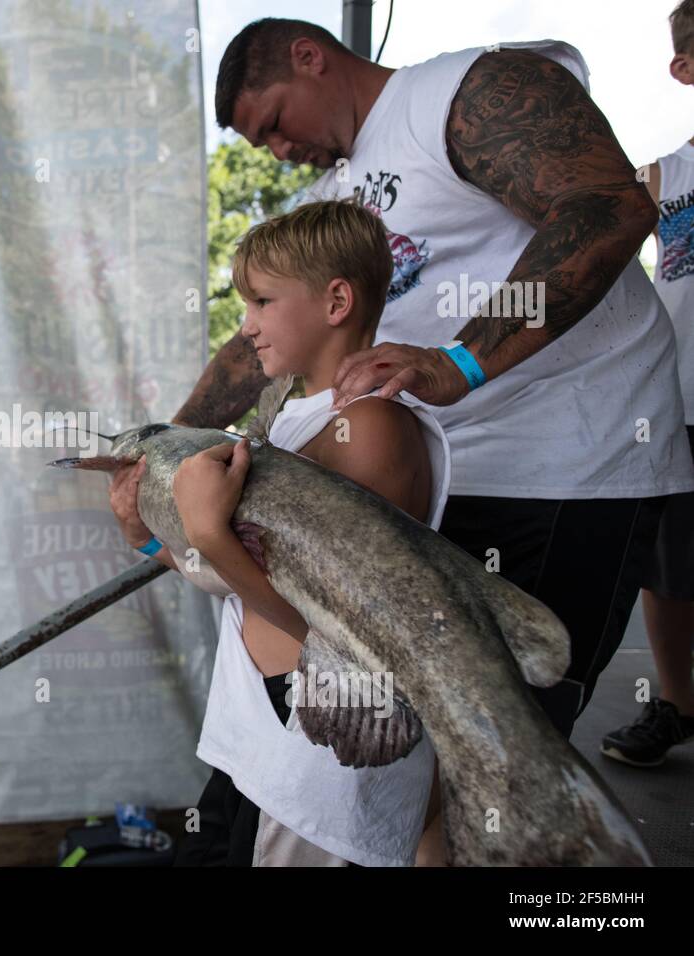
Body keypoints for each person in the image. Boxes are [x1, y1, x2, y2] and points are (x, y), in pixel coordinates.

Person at [193, 18, 693, 739]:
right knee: (419, 748)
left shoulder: (462, 91)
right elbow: (255, 347)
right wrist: (167, 445)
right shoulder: (325, 199)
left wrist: (461, 359)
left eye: (273, 123)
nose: (279, 151)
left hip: (566, 472)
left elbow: (609, 207)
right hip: (438, 485)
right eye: (263, 145)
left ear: (310, 59)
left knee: (513, 742)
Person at [114, 201, 451, 866]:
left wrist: (210, 534)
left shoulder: (372, 427)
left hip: (315, 759)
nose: (247, 328)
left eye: (263, 302)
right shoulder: (291, 419)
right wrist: (149, 540)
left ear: (336, 302)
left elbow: (348, 633)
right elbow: (247, 588)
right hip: (256, 738)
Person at [601, 0, 694, 767]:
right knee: (670, 565)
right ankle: (676, 703)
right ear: (684, 69)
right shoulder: (659, 177)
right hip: (680, 399)